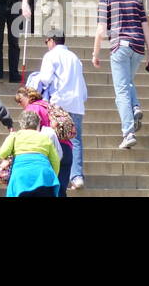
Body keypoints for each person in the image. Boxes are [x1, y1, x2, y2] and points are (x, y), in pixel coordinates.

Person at [93, 0, 149, 150]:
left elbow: (101, 30)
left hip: (120, 45)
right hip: (138, 46)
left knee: (121, 91)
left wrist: (95, 53)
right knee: (127, 82)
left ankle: (128, 133)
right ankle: (135, 107)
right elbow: (146, 27)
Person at [36, 32, 88, 190]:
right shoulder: (75, 58)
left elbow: (44, 78)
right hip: (77, 103)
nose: (47, 44)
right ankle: (77, 176)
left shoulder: (51, 56)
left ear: (51, 41)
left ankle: (55, 173)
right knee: (76, 140)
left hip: (59, 103)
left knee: (55, 138)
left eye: (47, 41)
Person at [0, 110, 61, 197]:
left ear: (21, 124)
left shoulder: (15, 136)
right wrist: (52, 175)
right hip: (44, 176)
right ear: (38, 124)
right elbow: (55, 160)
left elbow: (3, 153)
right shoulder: (45, 138)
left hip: (21, 178)